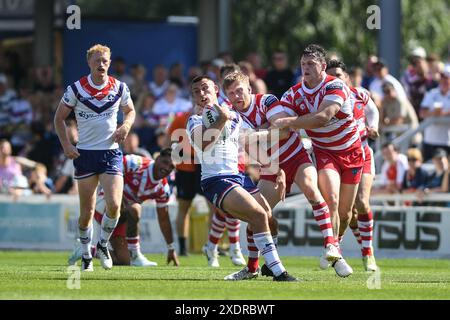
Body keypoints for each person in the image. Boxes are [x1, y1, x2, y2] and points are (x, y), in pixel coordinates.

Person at [222, 70, 340, 279]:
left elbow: (284, 130)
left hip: (295, 157)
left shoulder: (267, 100)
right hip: (270, 167)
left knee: (312, 191)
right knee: (257, 215)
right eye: (231, 93)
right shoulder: (233, 117)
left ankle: (331, 245)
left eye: (239, 90)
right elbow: (250, 147)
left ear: (249, 89)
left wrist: (255, 134)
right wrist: (275, 169)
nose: (237, 96)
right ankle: (252, 268)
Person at [187, 75, 297, 281]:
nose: (202, 94)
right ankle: (278, 271)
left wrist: (277, 169)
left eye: (205, 88)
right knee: (258, 215)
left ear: (216, 89)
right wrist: (221, 118)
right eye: (196, 91)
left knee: (269, 218)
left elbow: (248, 142)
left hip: (238, 176)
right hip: (216, 180)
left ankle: (253, 268)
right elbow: (203, 143)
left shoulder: (233, 115)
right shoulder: (194, 119)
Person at [273, 44, 363, 277]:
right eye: (303, 64)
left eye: (311, 64)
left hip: (352, 152)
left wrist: (290, 122)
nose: (306, 68)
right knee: (330, 200)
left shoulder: (335, 85)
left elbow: (322, 118)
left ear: (323, 66)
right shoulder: (293, 94)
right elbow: (278, 122)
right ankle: (334, 250)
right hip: (325, 152)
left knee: (346, 214)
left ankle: (334, 245)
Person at [54, 44, 136, 272]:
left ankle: (102, 245)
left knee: (114, 205)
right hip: (86, 154)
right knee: (86, 213)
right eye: (97, 60)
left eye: (105, 61)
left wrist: (126, 126)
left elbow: (130, 110)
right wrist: (67, 145)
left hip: (110, 153)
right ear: (89, 62)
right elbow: (58, 118)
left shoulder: (119, 87)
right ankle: (85, 254)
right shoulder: (76, 89)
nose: (101, 64)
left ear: (109, 63)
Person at [68, 150, 179, 267]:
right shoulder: (135, 163)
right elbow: (108, 173)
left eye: (171, 167)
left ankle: (87, 249)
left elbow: (163, 218)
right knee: (135, 208)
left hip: (123, 216)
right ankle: (135, 254)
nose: (166, 167)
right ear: (157, 159)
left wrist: (171, 247)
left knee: (123, 261)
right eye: (165, 162)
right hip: (106, 205)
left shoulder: (163, 188)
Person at [326, 59, 379, 271]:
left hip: (363, 153)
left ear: (346, 78)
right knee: (346, 210)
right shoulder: (325, 100)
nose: (334, 80)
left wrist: (372, 126)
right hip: (338, 157)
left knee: (362, 202)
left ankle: (368, 253)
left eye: (338, 75)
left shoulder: (359, 94)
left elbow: (373, 111)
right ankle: (335, 247)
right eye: (330, 76)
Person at [419, 65, 450, 161]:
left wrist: (441, 114)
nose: (444, 80)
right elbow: (422, 112)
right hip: (430, 140)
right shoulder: (431, 93)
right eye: (442, 77)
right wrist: (434, 113)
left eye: (447, 78)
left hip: (447, 141)